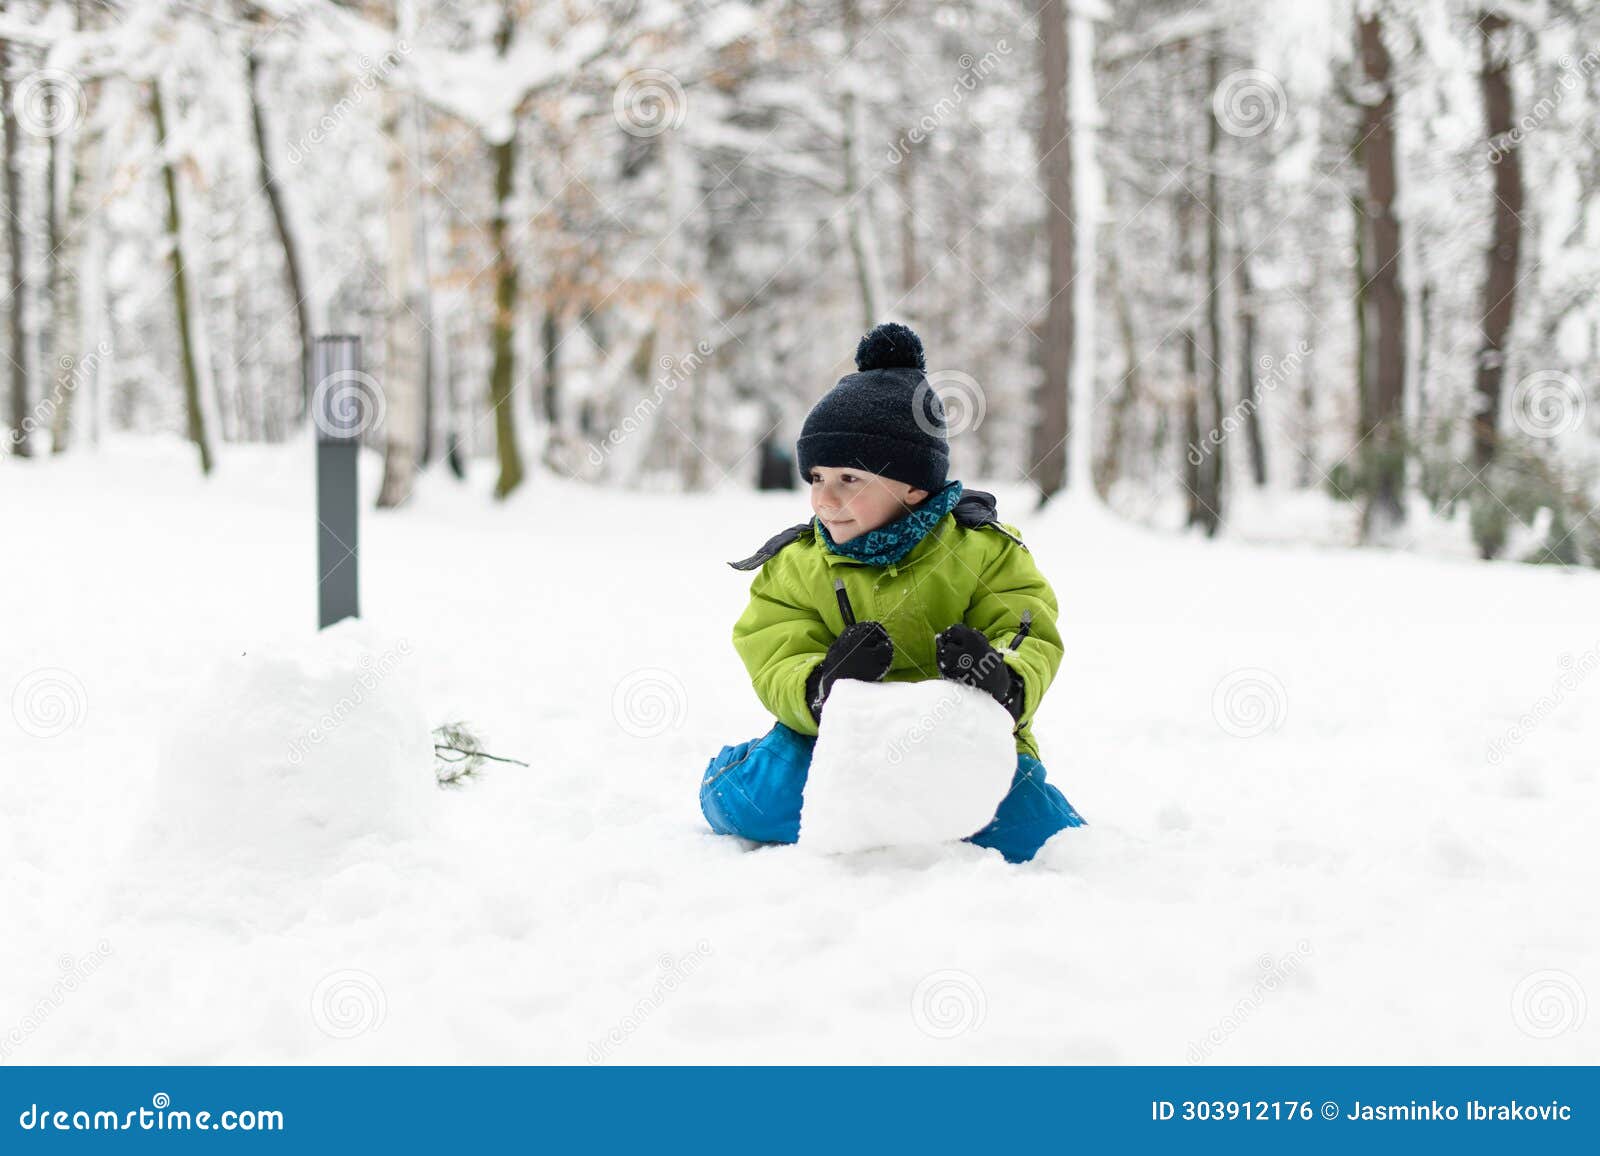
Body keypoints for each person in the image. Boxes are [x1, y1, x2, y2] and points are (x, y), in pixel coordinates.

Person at [700, 322, 1084, 862]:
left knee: (1042, 836)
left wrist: (1000, 676)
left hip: (960, 743)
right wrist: (823, 685)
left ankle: (945, 816)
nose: (825, 499)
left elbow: (1028, 627)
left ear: (913, 485)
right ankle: (736, 770)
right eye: (816, 477)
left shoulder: (984, 550)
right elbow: (774, 646)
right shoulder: (797, 565)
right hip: (835, 740)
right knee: (755, 805)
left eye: (849, 480)